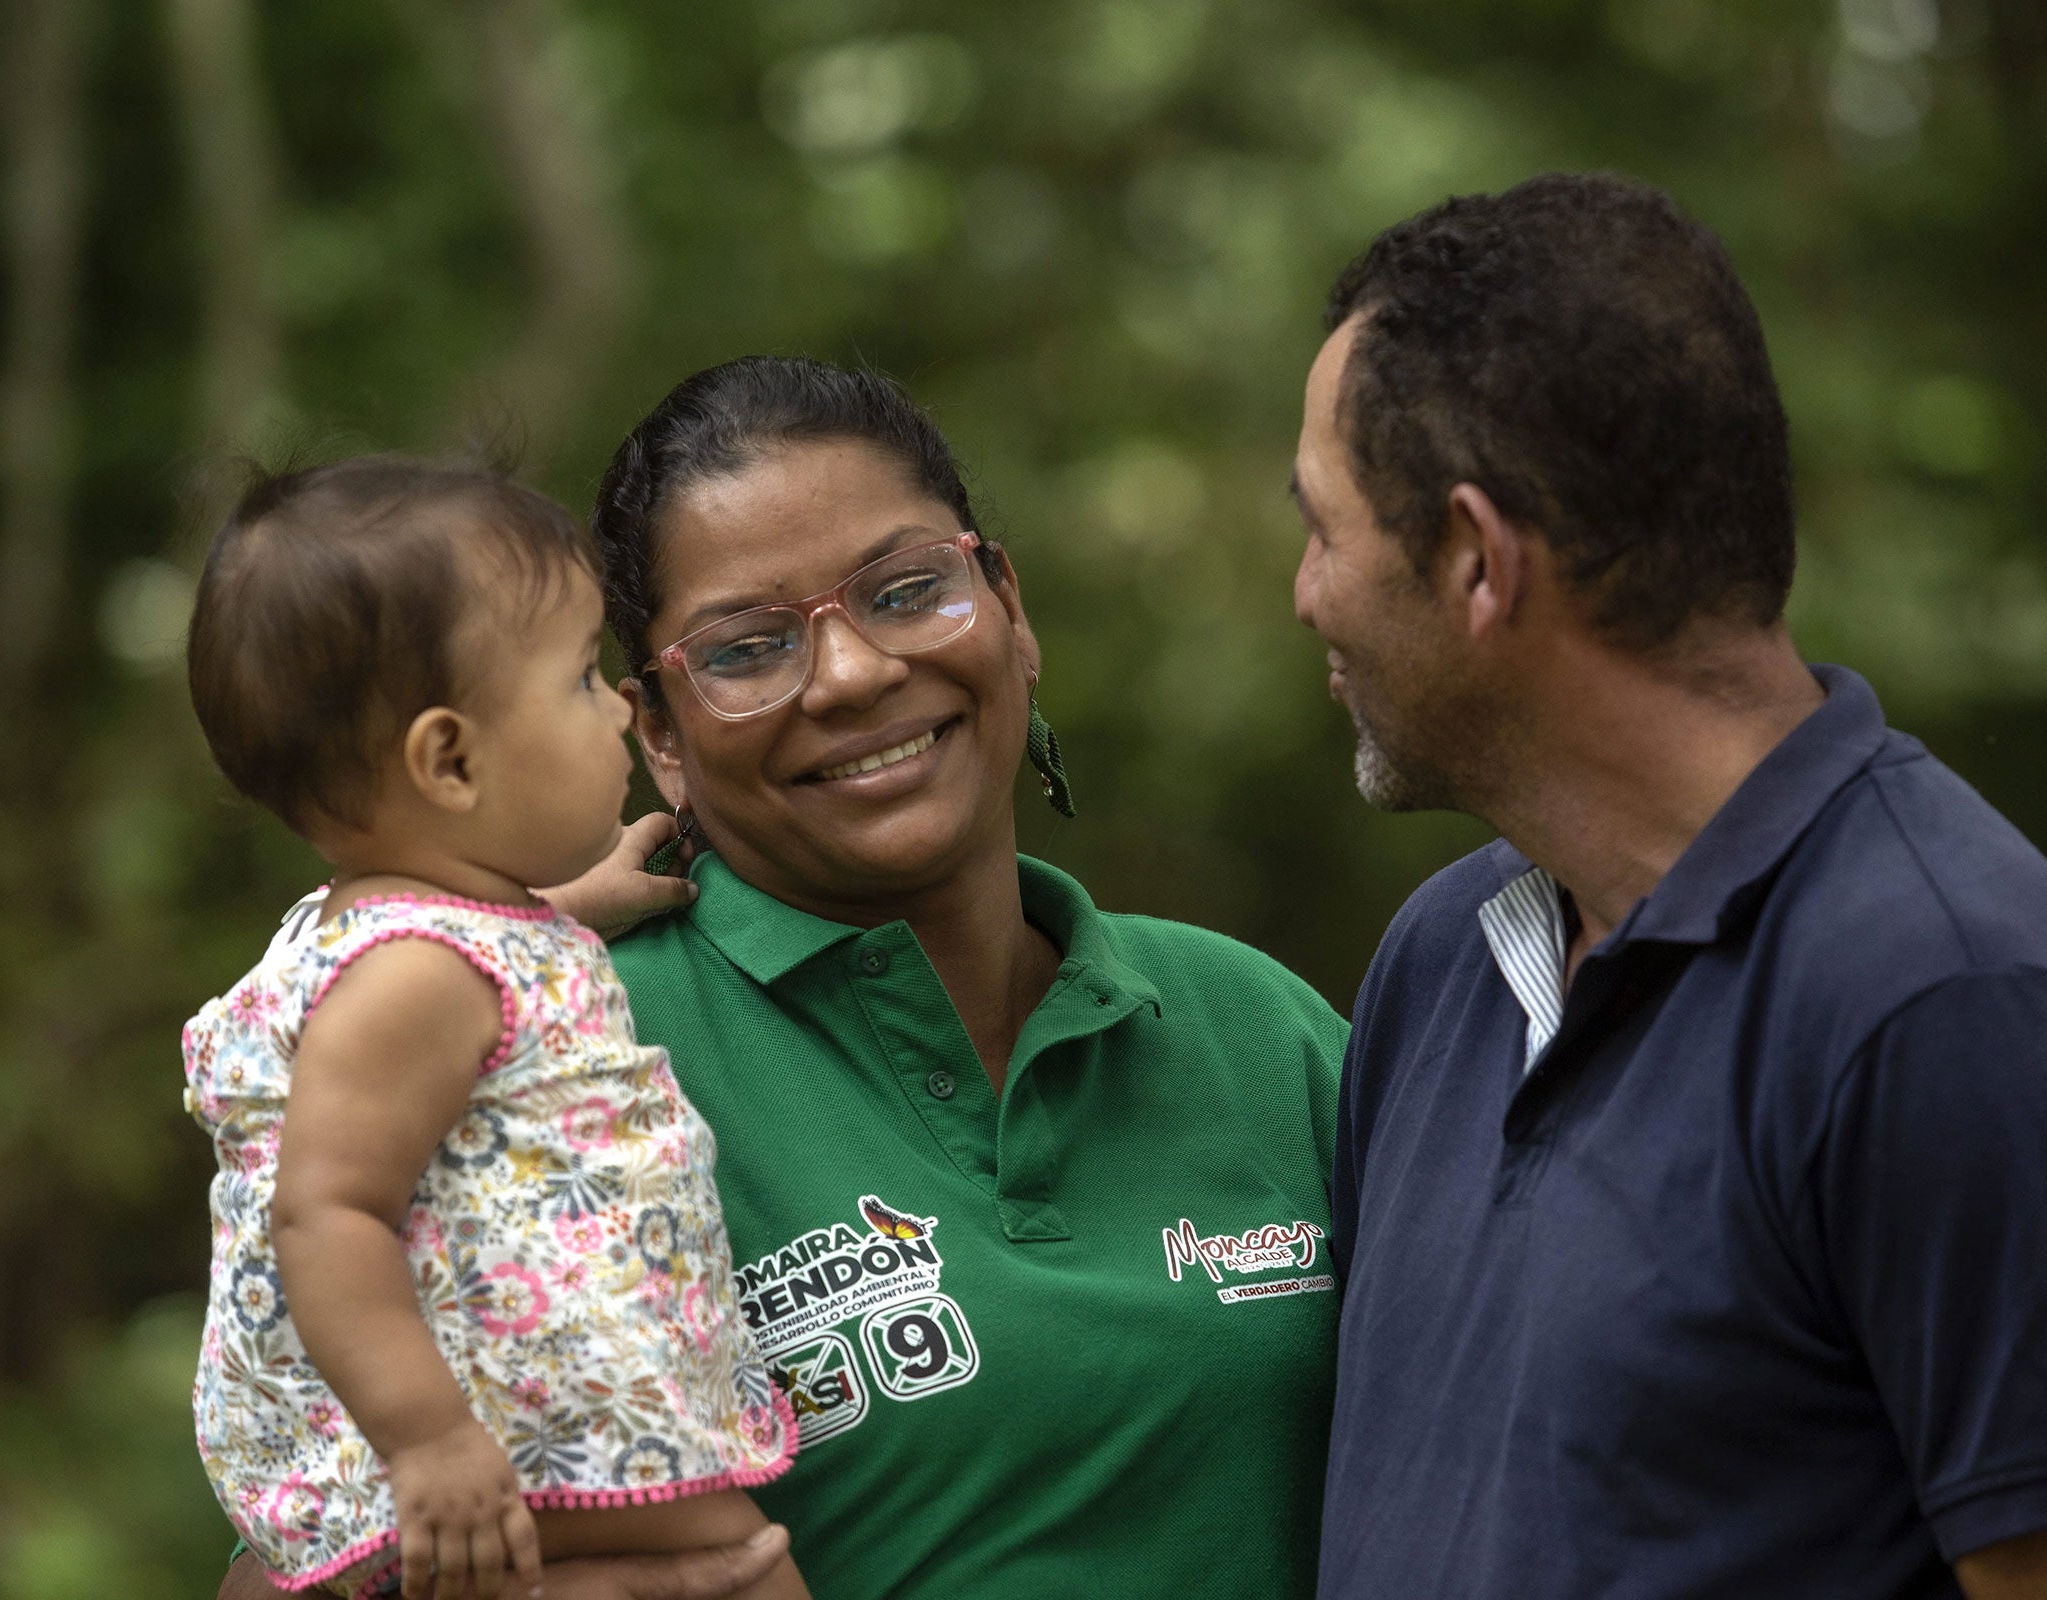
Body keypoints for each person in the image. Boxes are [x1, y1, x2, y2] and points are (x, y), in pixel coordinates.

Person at [223, 357, 1349, 1600]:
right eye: (747, 648)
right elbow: (314, 1538)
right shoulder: (558, 1057)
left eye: (910, 589)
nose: (856, 672)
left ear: (1008, 606)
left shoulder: (1263, 1027)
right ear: (657, 732)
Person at [1292, 172, 2047, 1598]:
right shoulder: (1441, 965)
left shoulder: (1956, 1006)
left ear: (1478, 560)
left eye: (1322, 527)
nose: (1306, 593)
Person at [183, 458, 806, 1600]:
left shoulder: (419, 938)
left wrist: (577, 903)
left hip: (531, 1435)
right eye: (577, 680)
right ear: (450, 760)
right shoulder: (413, 978)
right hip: (504, 1452)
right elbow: (327, 1212)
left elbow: (490, 968)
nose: (620, 702)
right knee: (746, 1568)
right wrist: (429, 1441)